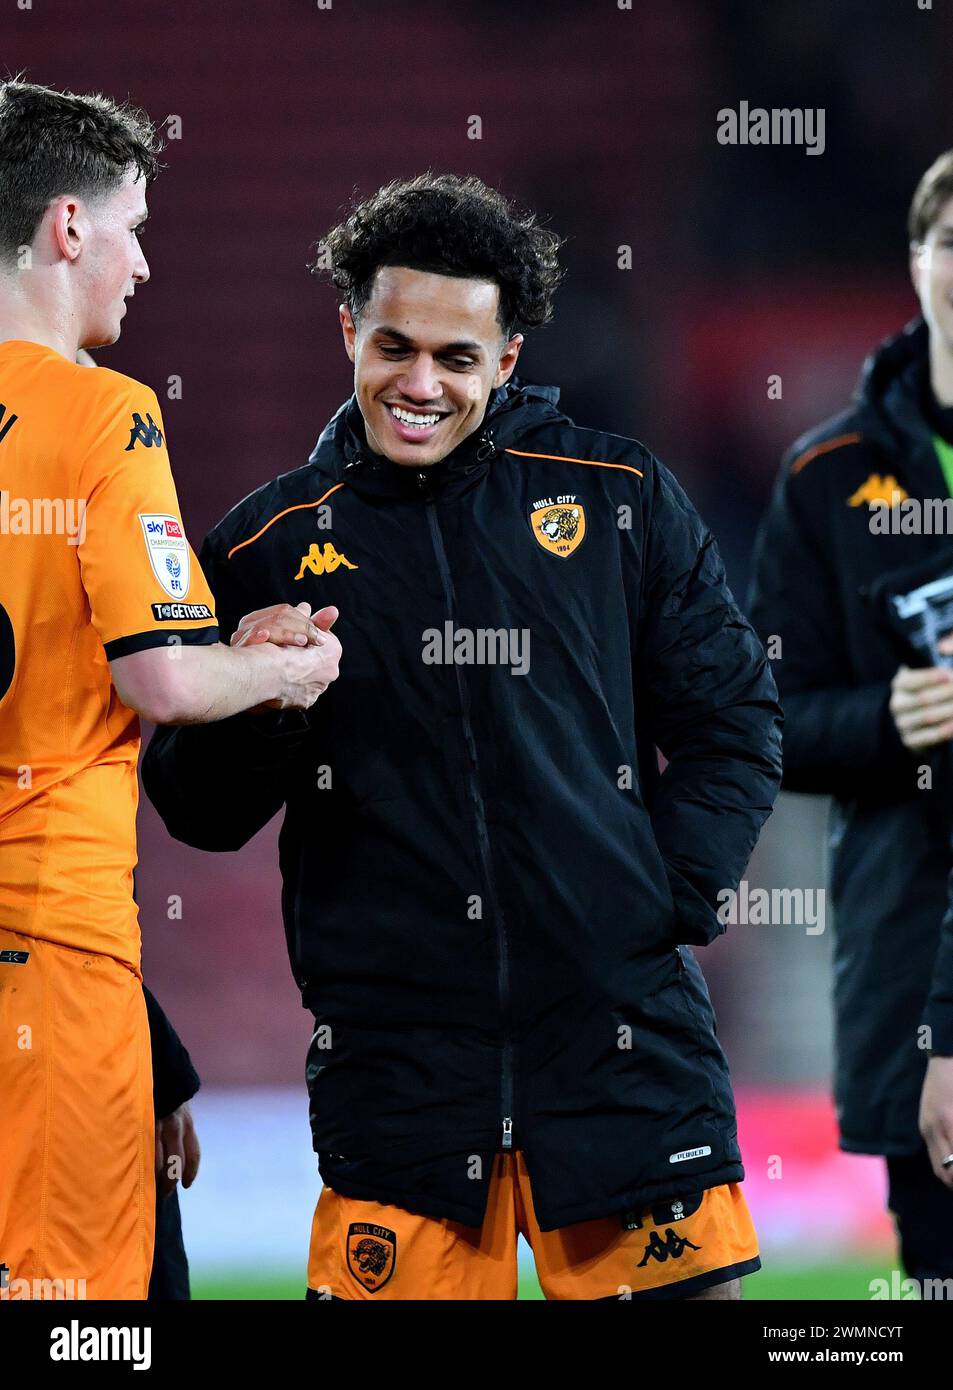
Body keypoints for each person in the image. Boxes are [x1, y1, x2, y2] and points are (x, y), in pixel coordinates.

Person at [143, 172, 782, 1301]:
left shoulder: (617, 497)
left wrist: (660, 900)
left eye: (456, 357)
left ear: (509, 357)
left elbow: (733, 717)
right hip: (399, 1084)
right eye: (393, 346)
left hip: (622, 1057)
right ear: (347, 327)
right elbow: (195, 807)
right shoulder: (263, 545)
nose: (420, 385)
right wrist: (264, 695)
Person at [0, 79, 340, 1301]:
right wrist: (283, 667)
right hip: (48, 945)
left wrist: (157, 1049)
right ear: (68, 229)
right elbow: (158, 676)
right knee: (91, 1318)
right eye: (135, 225)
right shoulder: (105, 416)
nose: (145, 264)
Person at [749, 150, 953, 1290]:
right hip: (905, 947)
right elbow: (766, 718)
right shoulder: (824, 476)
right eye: (949, 240)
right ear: (912, 263)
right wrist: (887, 717)